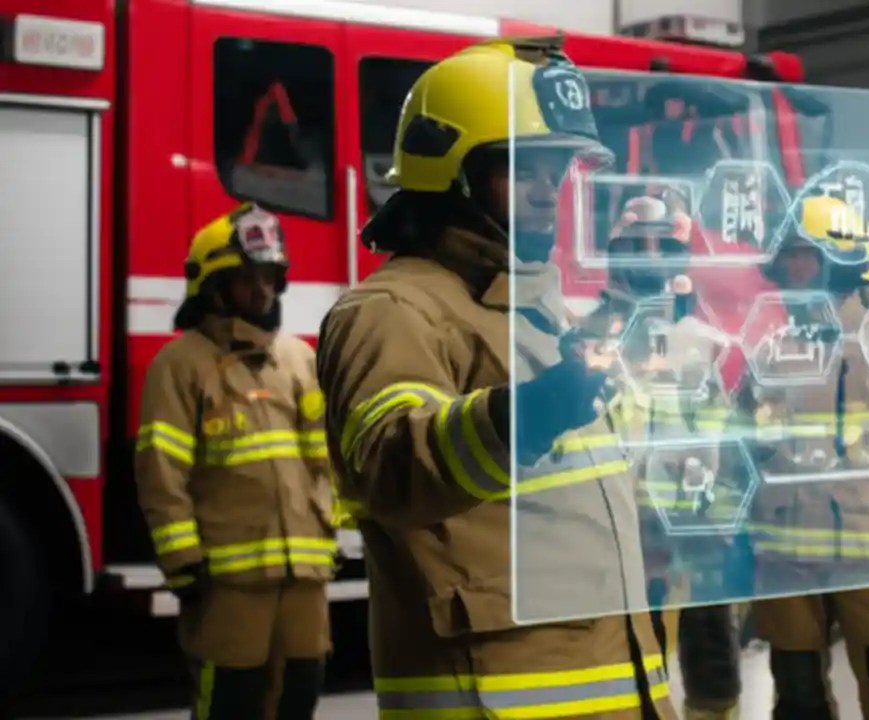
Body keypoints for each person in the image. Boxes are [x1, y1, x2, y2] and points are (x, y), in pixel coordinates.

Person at [315, 37, 673, 719]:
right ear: (451, 175)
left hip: (611, 682)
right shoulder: (391, 310)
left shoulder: (526, 299)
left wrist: (627, 300)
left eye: (558, 170)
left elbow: (570, 404)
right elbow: (393, 463)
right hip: (497, 695)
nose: (549, 193)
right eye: (521, 168)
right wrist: (527, 416)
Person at [747, 196, 869, 720]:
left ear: (835, 259)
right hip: (786, 557)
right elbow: (744, 447)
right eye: (787, 259)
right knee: (798, 702)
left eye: (801, 257)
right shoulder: (772, 353)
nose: (788, 272)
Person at [134, 203, 335, 720]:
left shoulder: (299, 360)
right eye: (248, 278)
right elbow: (162, 470)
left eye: (270, 276)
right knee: (230, 703)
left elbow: (326, 459)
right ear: (213, 286)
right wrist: (181, 562)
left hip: (303, 579)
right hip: (226, 586)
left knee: (299, 697)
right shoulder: (180, 366)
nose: (263, 291)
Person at [580, 194, 744, 720]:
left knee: (714, 672)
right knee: (636, 675)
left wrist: (725, 533)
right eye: (636, 246)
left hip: (694, 540)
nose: (650, 258)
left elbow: (727, 442)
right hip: (622, 540)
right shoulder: (584, 339)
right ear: (614, 255)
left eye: (662, 247)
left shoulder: (704, 344)